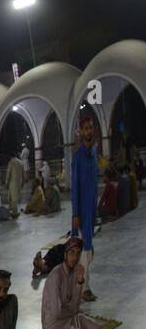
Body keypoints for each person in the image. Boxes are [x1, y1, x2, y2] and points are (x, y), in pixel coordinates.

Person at [40, 236, 102, 329]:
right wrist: (74, 311)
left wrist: (80, 281)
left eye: (78, 253)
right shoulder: (56, 275)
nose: (75, 257)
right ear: (65, 255)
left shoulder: (76, 272)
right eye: (72, 252)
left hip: (70, 317)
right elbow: (56, 313)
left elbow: (75, 305)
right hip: (53, 325)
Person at [69, 115, 100, 302]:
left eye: (90, 127)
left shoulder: (94, 154)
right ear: (81, 133)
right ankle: (83, 288)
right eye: (85, 128)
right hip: (81, 213)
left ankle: (81, 286)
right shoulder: (78, 157)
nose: (89, 131)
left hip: (91, 211)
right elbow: (75, 187)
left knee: (88, 252)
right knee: (84, 252)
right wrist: (75, 214)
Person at [4, 153, 24, 218]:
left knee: (13, 199)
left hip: (12, 183)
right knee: (11, 197)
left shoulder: (11, 162)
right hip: (19, 183)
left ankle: (15, 213)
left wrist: (6, 183)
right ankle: (11, 210)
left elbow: (8, 173)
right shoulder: (21, 162)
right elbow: (23, 174)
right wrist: (23, 182)